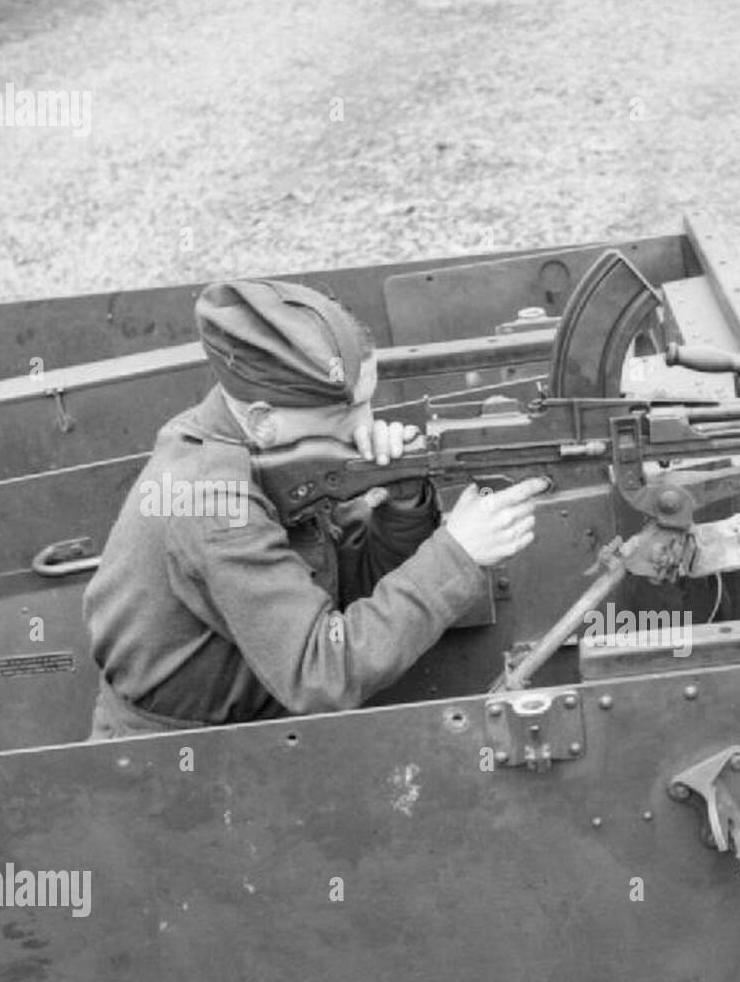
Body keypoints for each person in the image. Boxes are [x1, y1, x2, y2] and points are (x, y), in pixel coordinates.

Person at [83, 278, 546, 738]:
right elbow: (322, 673)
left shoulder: (260, 444)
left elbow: (348, 591)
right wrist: (457, 554)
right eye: (344, 416)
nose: (364, 427)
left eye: (369, 403)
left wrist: (400, 501)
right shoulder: (217, 508)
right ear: (262, 420)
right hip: (178, 770)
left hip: (250, 730)